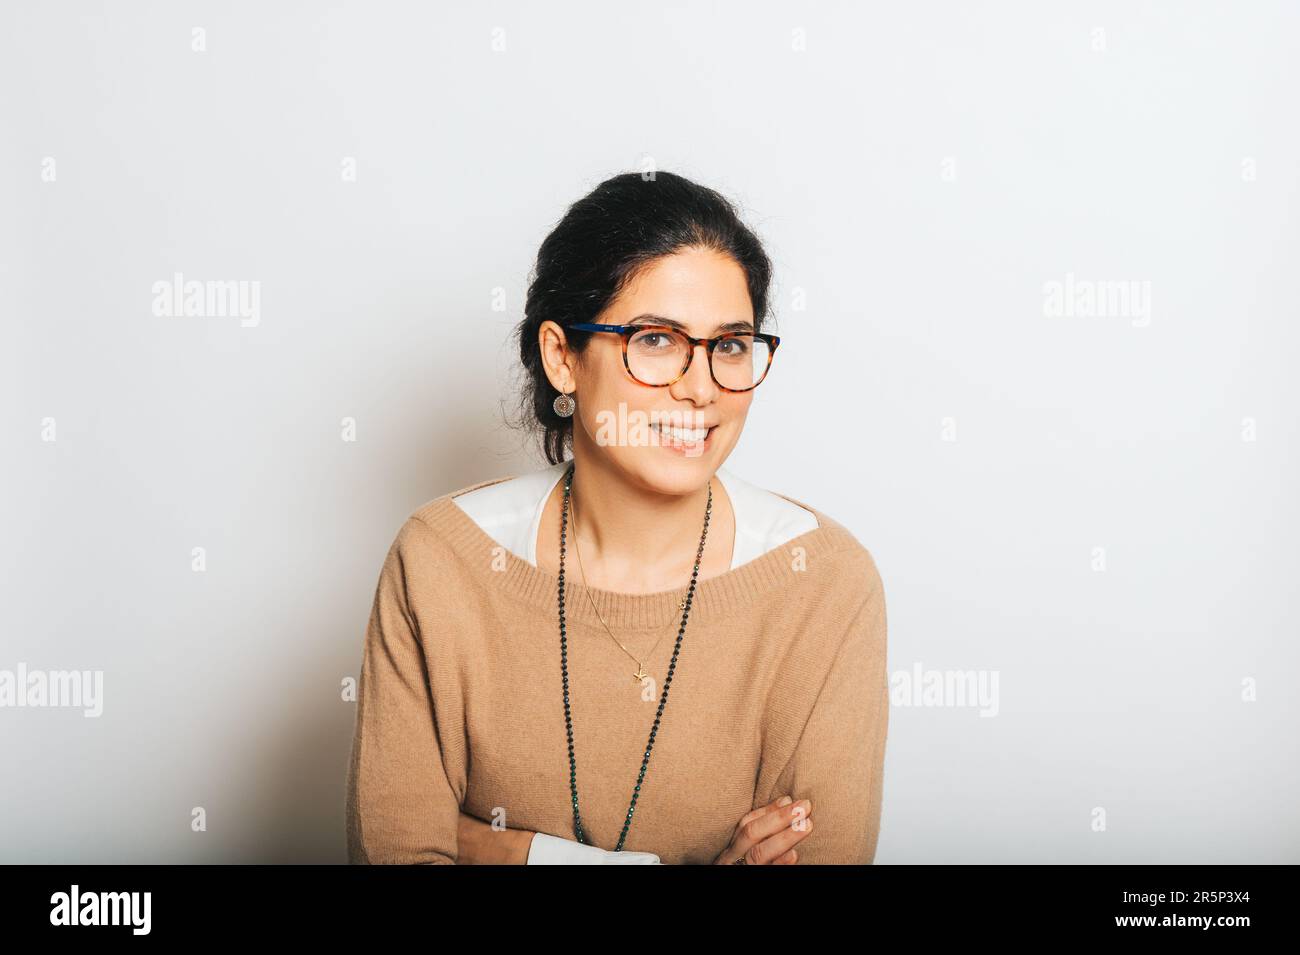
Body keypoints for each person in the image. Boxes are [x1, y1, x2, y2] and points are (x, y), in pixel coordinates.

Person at [346, 171, 888, 864]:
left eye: (728, 344)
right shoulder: (439, 561)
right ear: (562, 357)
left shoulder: (825, 582)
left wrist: (496, 848)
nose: (700, 389)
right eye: (656, 340)